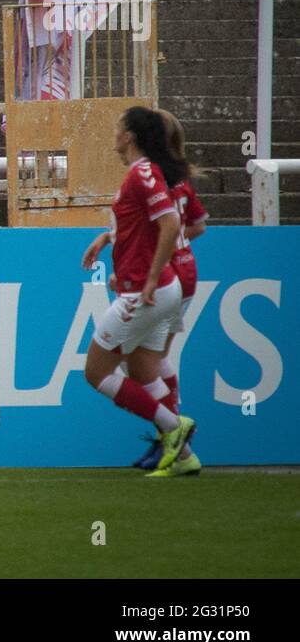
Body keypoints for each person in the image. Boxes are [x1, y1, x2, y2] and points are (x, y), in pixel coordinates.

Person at [79, 106, 196, 477]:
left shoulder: (141, 173)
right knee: (145, 368)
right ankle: (184, 455)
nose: (113, 132)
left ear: (128, 135)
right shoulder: (143, 173)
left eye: (117, 126)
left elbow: (171, 222)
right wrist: (106, 239)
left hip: (145, 292)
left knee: (96, 373)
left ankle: (173, 427)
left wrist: (148, 277)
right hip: (160, 289)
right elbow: (143, 225)